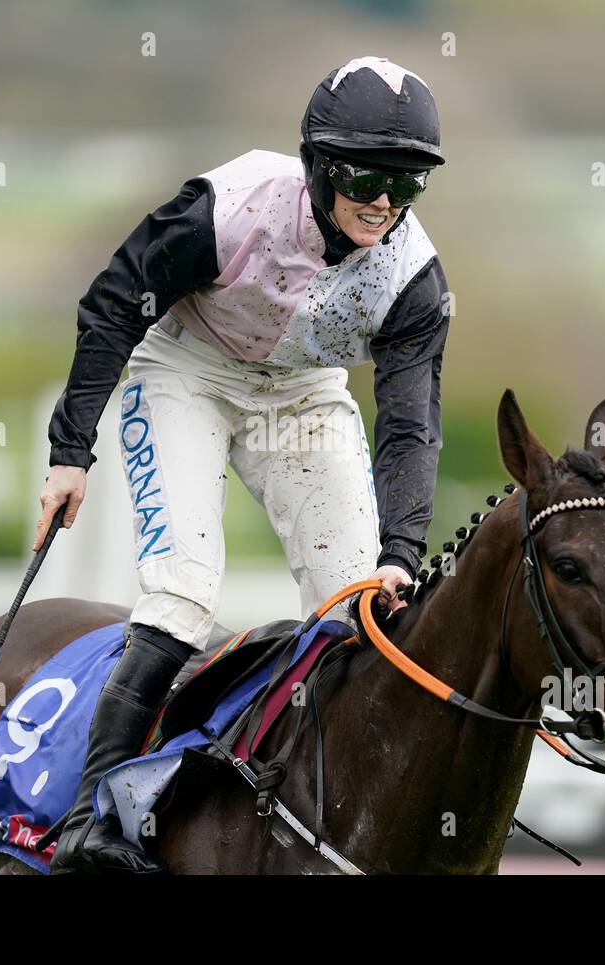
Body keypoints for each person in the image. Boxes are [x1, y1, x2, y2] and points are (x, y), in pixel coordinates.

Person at [37, 56, 451, 874]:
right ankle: (91, 819)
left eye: (407, 184)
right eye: (368, 175)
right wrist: (69, 450)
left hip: (302, 394)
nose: (384, 202)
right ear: (320, 163)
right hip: (187, 370)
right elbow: (116, 301)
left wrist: (400, 552)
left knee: (358, 608)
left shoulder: (415, 281)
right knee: (186, 590)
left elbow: (410, 426)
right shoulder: (228, 209)